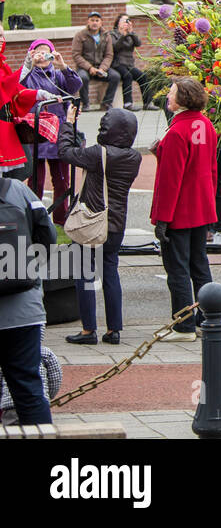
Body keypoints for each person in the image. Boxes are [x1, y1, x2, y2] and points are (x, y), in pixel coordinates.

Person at [59, 106, 141, 346]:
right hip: (115, 224)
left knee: (84, 274)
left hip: (90, 222)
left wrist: (68, 123)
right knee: (110, 273)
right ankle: (114, 330)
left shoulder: (98, 154)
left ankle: (88, 331)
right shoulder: (134, 157)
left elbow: (66, 152)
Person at [150, 78, 218, 340]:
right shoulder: (206, 125)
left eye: (172, 93)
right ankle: (206, 318)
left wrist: (162, 218)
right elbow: (210, 169)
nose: (168, 96)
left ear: (183, 98)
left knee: (177, 269)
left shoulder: (178, 131)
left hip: (179, 211)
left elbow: (170, 180)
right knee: (199, 265)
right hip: (201, 207)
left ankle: (183, 324)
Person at [0, 176, 57, 424]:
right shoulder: (19, 190)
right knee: (29, 388)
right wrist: (28, 267)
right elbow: (48, 236)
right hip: (24, 309)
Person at [19, 40, 82, 224]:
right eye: (37, 52)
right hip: (35, 132)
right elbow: (19, 85)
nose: (42, 56)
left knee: (62, 180)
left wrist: (63, 65)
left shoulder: (57, 75)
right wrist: (29, 63)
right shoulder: (28, 75)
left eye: (46, 53)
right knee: (36, 181)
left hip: (58, 133)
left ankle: (61, 220)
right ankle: (35, 219)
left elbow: (75, 86)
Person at [71, 10, 119, 111]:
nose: (94, 23)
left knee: (115, 76)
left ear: (101, 22)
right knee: (82, 77)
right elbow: (76, 55)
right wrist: (89, 68)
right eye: (92, 20)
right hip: (84, 68)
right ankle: (85, 103)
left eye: (97, 20)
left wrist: (103, 68)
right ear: (88, 22)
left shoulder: (106, 35)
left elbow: (109, 55)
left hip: (101, 67)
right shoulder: (80, 35)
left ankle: (107, 103)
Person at [108, 14, 154, 111]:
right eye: (125, 21)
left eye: (128, 21)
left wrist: (131, 32)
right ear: (118, 23)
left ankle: (147, 102)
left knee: (143, 76)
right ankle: (128, 103)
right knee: (127, 76)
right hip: (117, 64)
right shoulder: (112, 34)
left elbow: (138, 43)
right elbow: (115, 47)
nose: (127, 23)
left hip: (129, 64)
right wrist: (123, 35)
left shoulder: (130, 35)